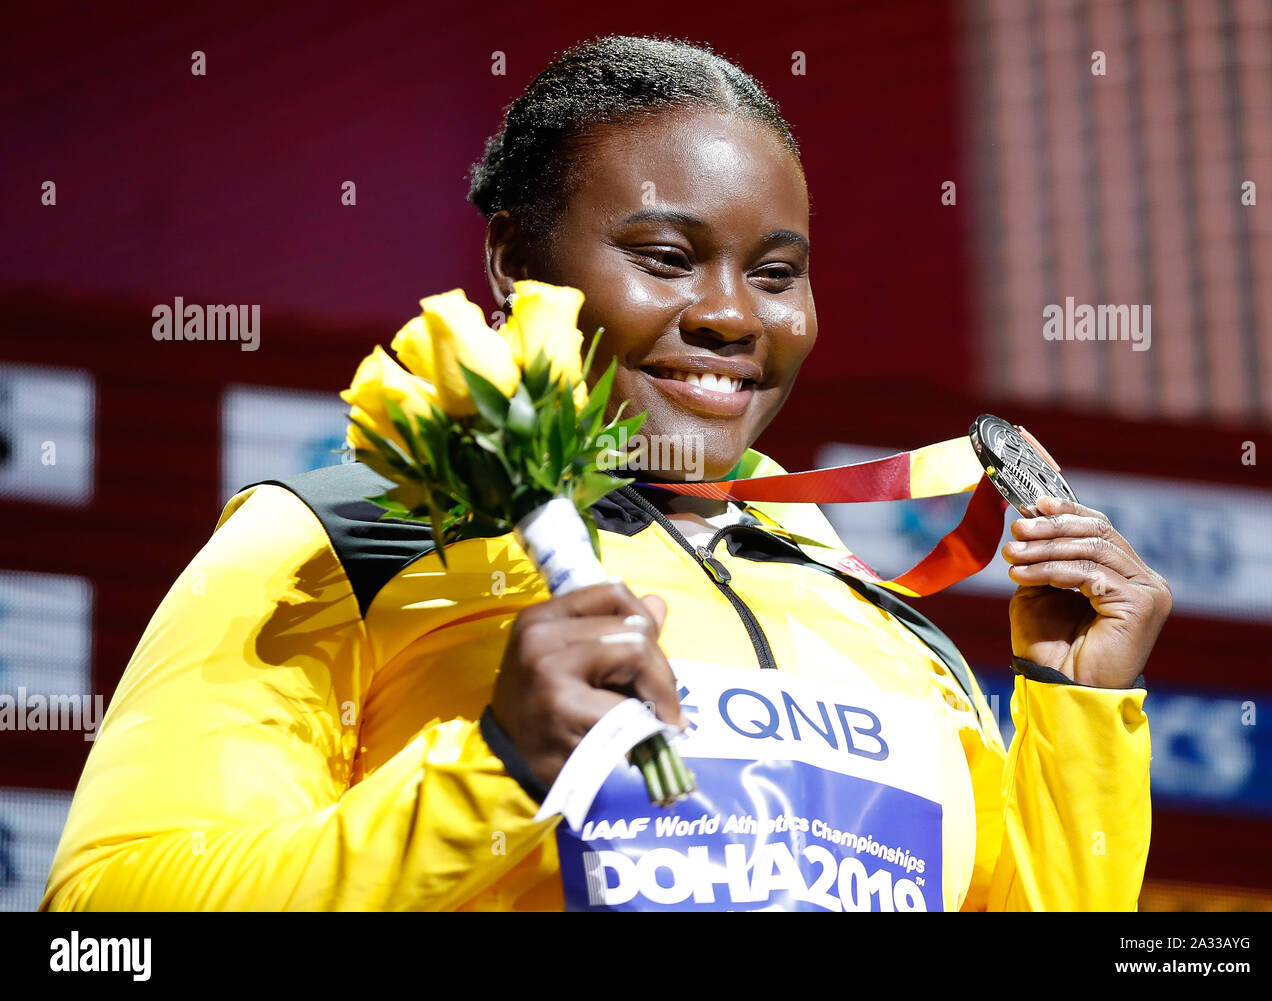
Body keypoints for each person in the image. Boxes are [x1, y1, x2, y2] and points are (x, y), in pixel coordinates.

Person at [41, 35, 1171, 912]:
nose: (732, 314)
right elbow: (109, 927)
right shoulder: (340, 539)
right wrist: (493, 771)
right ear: (513, 258)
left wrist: (1076, 709)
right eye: (666, 258)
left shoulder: (877, 612)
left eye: (775, 272)